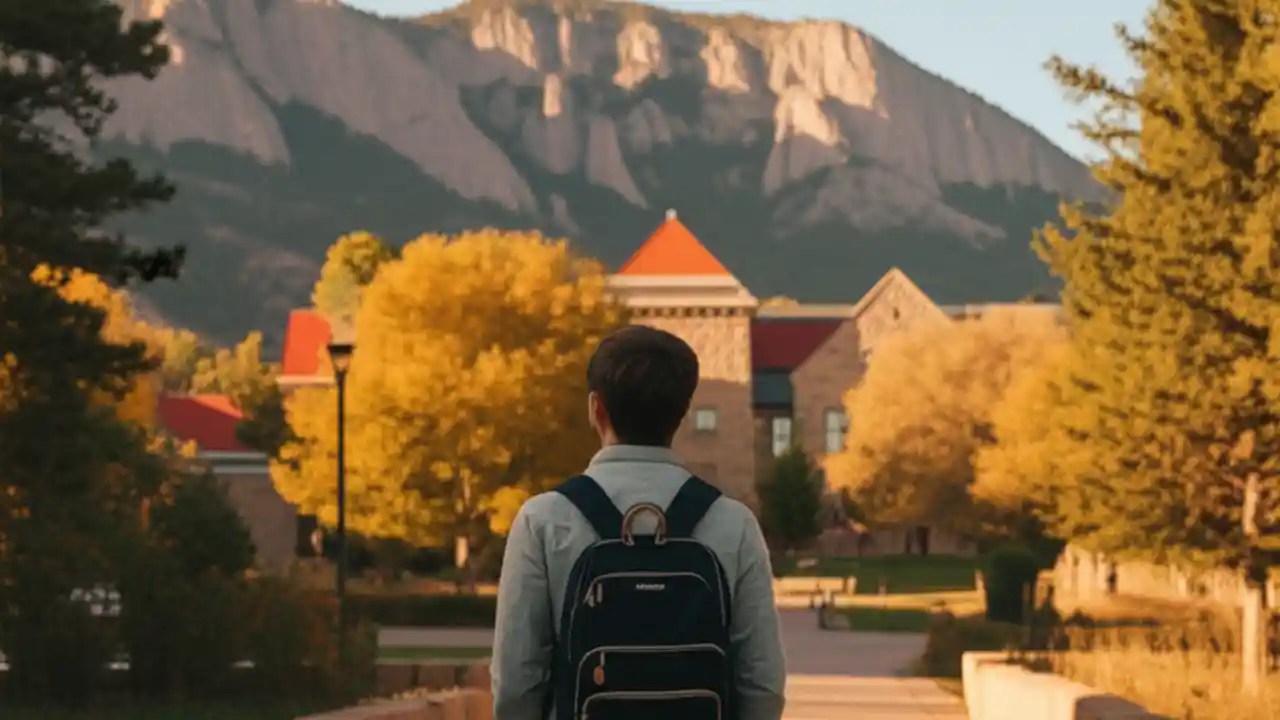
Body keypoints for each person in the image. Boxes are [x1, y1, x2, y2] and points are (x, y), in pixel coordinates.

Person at [492, 325, 787, 719]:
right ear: (682, 414)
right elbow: (762, 683)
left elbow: (516, 683)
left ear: (596, 408)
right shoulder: (733, 523)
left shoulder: (544, 519)